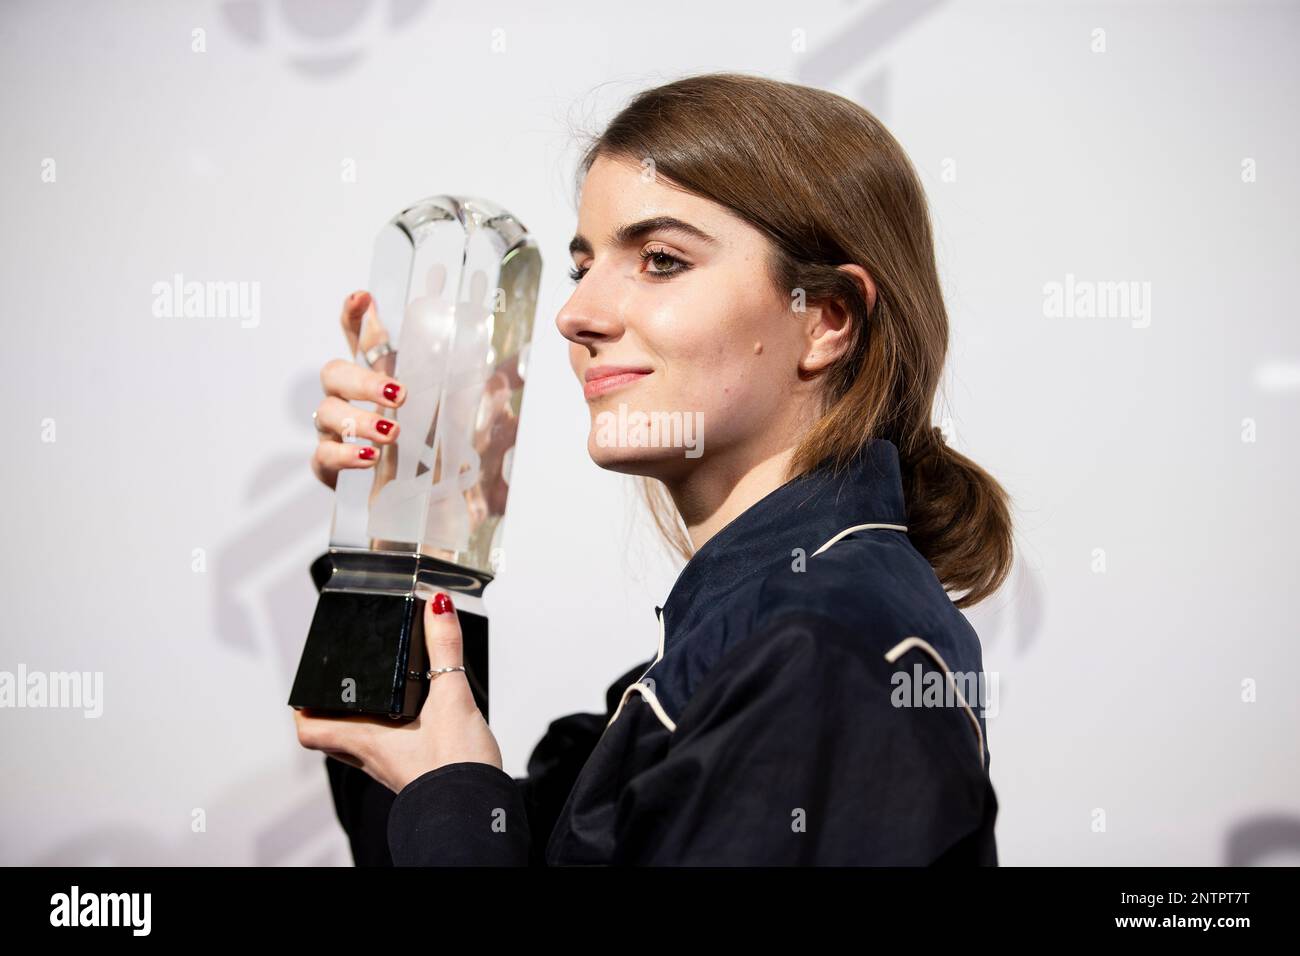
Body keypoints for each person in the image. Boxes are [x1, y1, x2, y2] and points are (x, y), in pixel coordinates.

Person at [294, 71, 1014, 866]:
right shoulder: (738, 649)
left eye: (661, 260)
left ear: (827, 321)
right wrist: (400, 521)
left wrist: (457, 795)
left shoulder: (820, 657)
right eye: (582, 266)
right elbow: (426, 827)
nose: (576, 315)